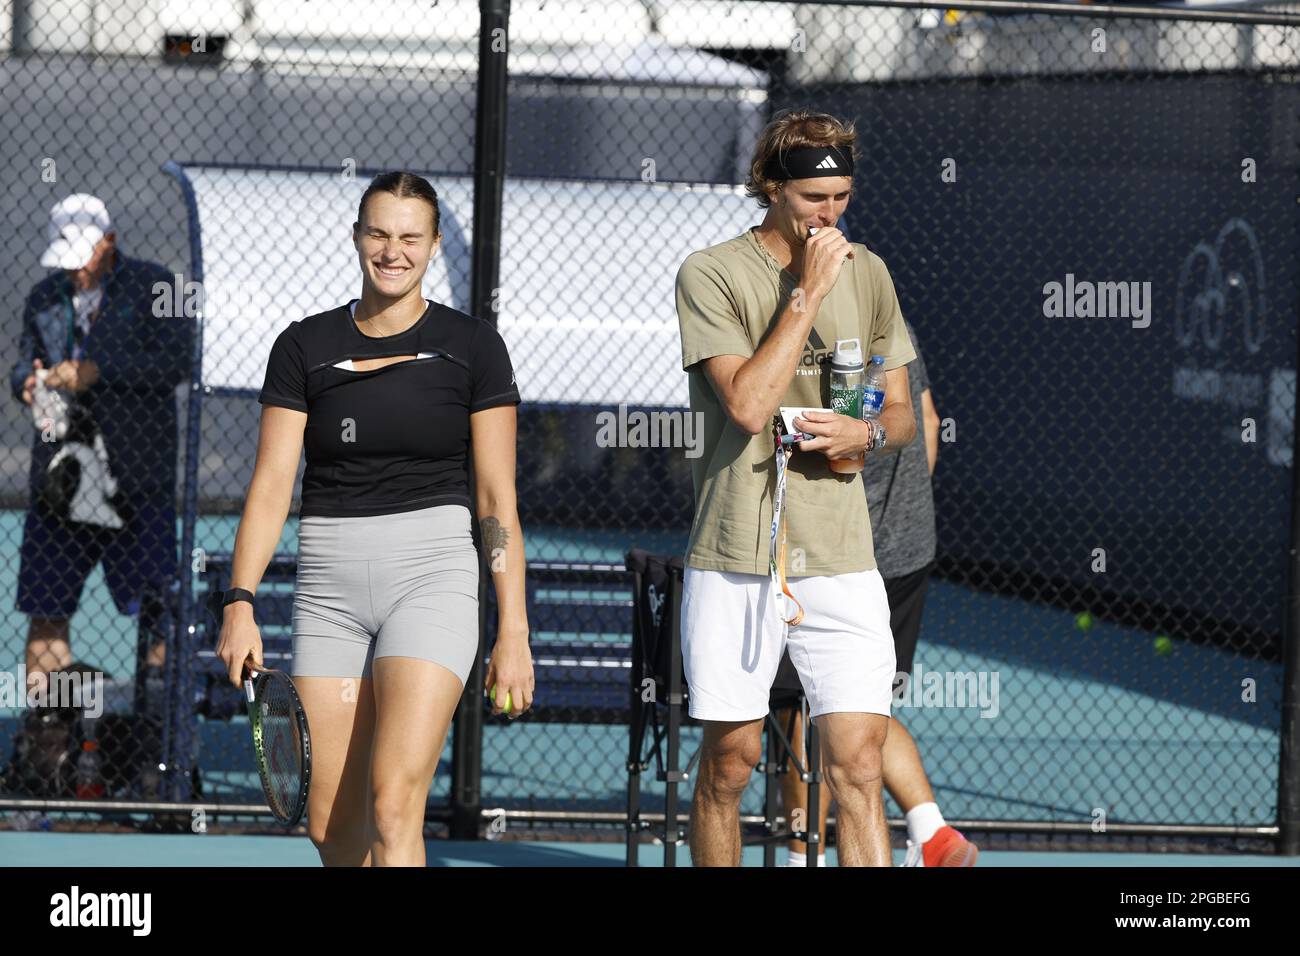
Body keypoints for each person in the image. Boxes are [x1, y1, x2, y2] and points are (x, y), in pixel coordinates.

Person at [216, 171, 534, 867]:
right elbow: (271, 485)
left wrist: (512, 625)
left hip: (434, 581)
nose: (393, 251)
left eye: (410, 238)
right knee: (333, 829)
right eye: (379, 234)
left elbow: (495, 500)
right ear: (358, 237)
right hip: (328, 591)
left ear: (434, 245)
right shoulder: (303, 346)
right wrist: (240, 601)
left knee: (393, 809)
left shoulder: (475, 347)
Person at [675, 109, 916, 867]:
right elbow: (746, 407)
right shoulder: (709, 272)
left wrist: (863, 434)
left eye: (842, 196)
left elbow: (903, 409)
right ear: (772, 188)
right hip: (737, 551)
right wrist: (806, 293)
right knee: (732, 763)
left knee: (861, 765)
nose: (831, 214)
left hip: (842, 556)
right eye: (816, 198)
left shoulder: (870, 272)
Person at [771, 318, 979, 867]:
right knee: (863, 703)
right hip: (911, 548)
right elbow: (928, 419)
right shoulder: (893, 318)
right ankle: (930, 830)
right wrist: (905, 514)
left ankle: (802, 859)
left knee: (805, 708)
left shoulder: (798, 330)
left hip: (842, 557)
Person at [11, 194, 191, 692]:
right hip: (61, 483)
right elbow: (23, 363)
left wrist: (98, 373)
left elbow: (180, 363)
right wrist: (26, 383)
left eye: (81, 257)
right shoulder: (43, 297)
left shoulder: (157, 286)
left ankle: (154, 743)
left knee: (161, 616)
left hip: (137, 482)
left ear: (109, 242)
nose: (73, 271)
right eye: (64, 260)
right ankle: (55, 748)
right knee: (46, 609)